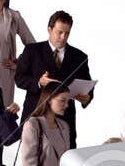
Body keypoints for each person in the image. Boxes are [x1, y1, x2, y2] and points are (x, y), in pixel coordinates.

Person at [15, 9, 95, 148]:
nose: (63, 37)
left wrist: (87, 98)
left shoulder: (80, 57)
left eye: (67, 33)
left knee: (66, 163)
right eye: (60, 32)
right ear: (49, 29)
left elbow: (88, 86)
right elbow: (19, 78)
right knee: (33, 161)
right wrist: (38, 82)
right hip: (36, 115)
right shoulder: (32, 50)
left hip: (65, 119)